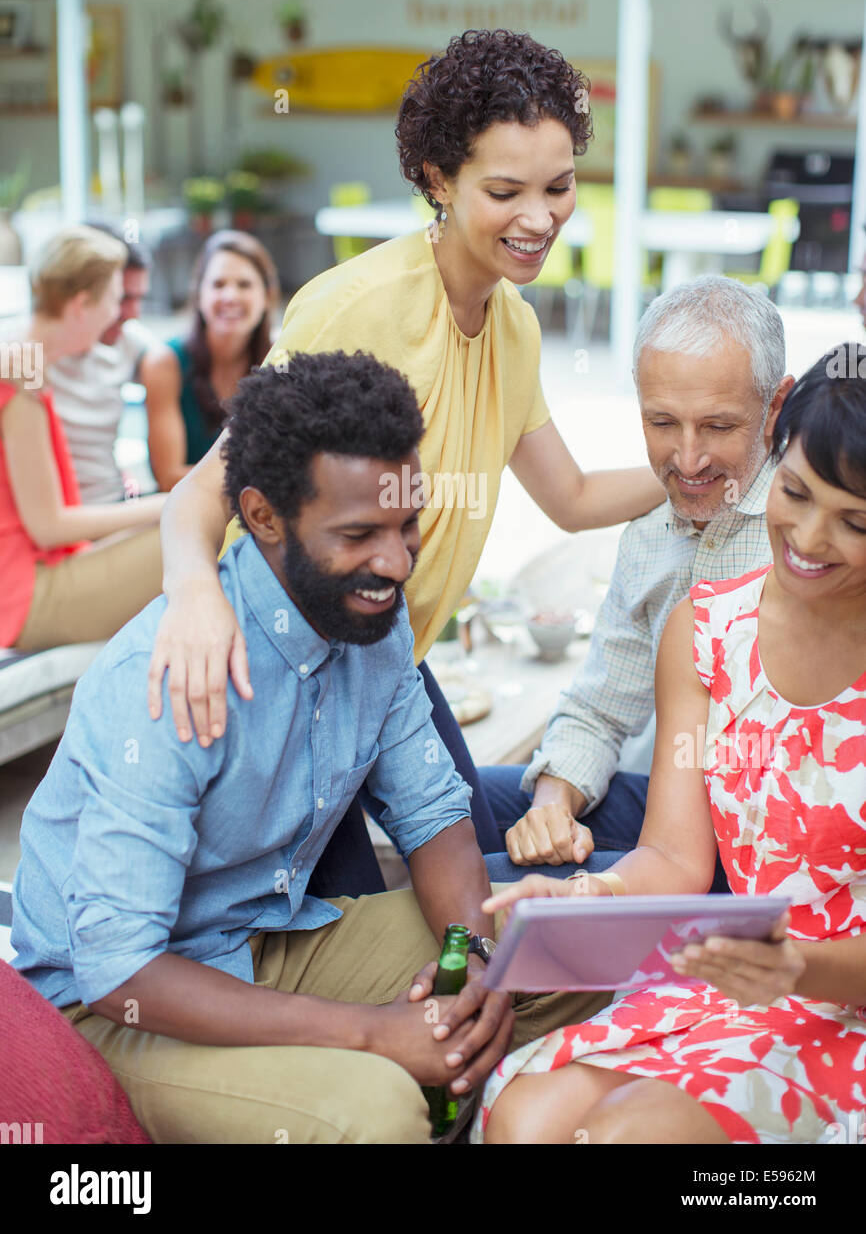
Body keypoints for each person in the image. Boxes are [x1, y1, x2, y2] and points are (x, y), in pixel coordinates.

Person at [11, 351, 600, 1145]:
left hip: (271, 940)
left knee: (562, 957)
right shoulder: (169, 674)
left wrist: (479, 964)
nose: (394, 564)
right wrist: (367, 1031)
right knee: (374, 1108)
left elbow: (431, 817)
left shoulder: (374, 621)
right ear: (261, 517)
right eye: (359, 534)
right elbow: (118, 969)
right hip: (120, 1004)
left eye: (407, 524)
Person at [144, 29, 665, 884]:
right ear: (436, 179)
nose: (540, 218)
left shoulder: (515, 326)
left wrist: (706, 469)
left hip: (389, 671)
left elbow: (568, 495)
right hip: (282, 678)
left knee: (480, 884)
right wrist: (193, 597)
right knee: (354, 923)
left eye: (560, 186)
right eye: (505, 191)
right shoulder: (358, 309)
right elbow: (201, 496)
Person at [473, 344, 866, 1145]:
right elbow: (675, 860)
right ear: (772, 457)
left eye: (856, 521)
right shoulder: (707, 629)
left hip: (845, 1007)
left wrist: (798, 965)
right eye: (794, 492)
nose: (811, 538)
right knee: (524, 1118)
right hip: (734, 982)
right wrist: (585, 901)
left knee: (624, 1138)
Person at [481, 275, 795, 883]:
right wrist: (552, 806)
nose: (688, 458)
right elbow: (600, 708)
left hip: (780, 840)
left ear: (775, 406)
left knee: (494, 885)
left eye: (719, 426)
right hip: (674, 815)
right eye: (662, 423)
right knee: (453, 810)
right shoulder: (651, 533)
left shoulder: (810, 529)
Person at [0, 226, 164, 650]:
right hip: (25, 597)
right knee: (205, 522)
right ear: (80, 305)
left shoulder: (22, 358)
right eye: (113, 299)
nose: (118, 314)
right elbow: (49, 525)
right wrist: (166, 504)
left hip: (35, 578)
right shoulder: (20, 373)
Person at [139, 229, 276, 492]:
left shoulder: (281, 361)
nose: (230, 296)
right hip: (187, 517)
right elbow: (169, 477)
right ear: (199, 295)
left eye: (244, 285)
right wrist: (264, 477)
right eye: (218, 284)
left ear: (267, 296)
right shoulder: (164, 363)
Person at [49, 230, 155, 503]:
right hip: (68, 518)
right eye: (121, 298)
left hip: (112, 503)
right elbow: (48, 523)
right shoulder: (24, 358)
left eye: (139, 298)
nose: (133, 314)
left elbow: (170, 360)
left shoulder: (131, 342)